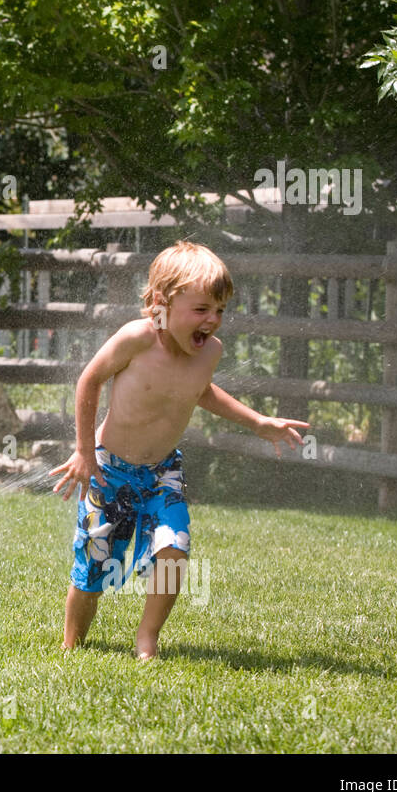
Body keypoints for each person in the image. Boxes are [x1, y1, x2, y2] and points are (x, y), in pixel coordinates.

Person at [48, 241, 308, 659]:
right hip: (108, 469)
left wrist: (259, 423)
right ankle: (71, 643)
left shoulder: (209, 353)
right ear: (160, 304)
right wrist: (83, 451)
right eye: (202, 309)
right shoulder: (136, 339)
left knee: (175, 547)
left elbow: (201, 391)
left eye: (220, 311)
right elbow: (90, 381)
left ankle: (147, 639)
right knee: (94, 567)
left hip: (162, 473)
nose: (213, 321)